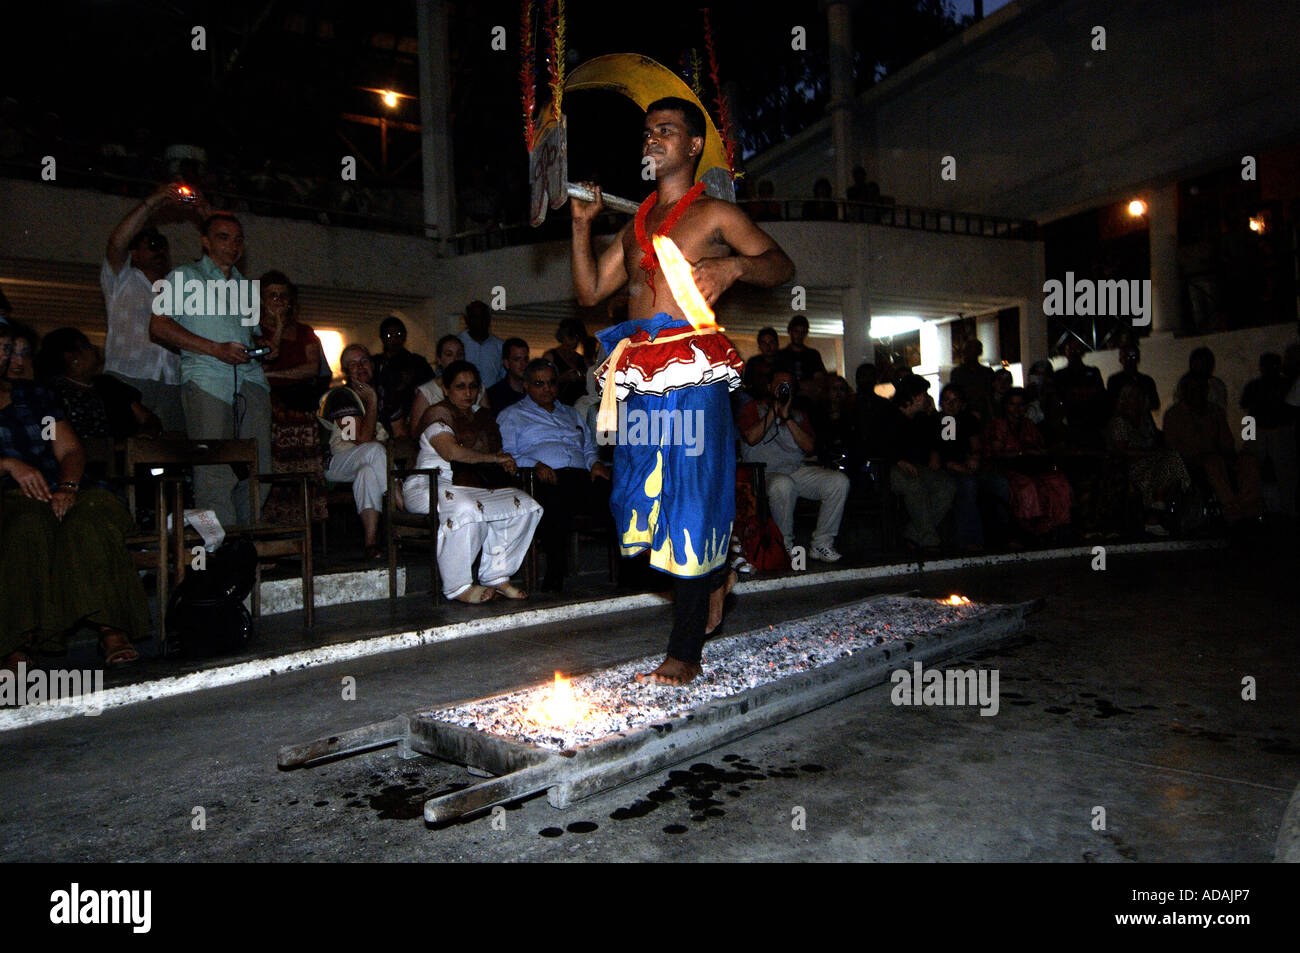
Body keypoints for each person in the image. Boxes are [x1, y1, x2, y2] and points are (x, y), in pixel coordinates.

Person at [572, 95, 795, 684]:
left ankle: (685, 651)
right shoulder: (633, 227)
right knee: (637, 506)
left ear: (693, 146)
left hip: (694, 370)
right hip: (640, 375)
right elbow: (593, 292)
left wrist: (735, 267)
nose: (652, 139)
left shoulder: (717, 215)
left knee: (692, 500)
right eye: (648, 131)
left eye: (666, 130)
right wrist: (580, 228)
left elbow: (782, 265)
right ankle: (718, 574)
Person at [0, 324, 147, 667]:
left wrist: (67, 486)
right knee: (27, 524)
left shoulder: (35, 399)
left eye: (17, 350)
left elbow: (69, 450)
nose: (12, 358)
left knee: (90, 516)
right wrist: (8, 464)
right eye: (6, 349)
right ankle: (17, 644)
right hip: (9, 495)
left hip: (56, 486)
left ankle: (111, 629)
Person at [149, 209, 271, 527]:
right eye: (223, 237)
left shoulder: (245, 286)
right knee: (214, 471)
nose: (233, 245)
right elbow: (158, 327)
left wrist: (266, 343)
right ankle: (222, 553)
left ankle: (250, 543)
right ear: (205, 241)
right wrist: (216, 349)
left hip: (250, 381)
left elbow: (250, 334)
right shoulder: (184, 276)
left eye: (238, 239)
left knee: (261, 467)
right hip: (207, 380)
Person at [401, 360, 542, 603]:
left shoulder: (482, 416)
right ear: (446, 389)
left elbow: (492, 453)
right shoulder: (437, 414)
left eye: (473, 386)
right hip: (430, 484)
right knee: (466, 509)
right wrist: (494, 459)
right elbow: (451, 453)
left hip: (470, 485)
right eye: (460, 387)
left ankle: (497, 575)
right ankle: (459, 586)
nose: (468, 393)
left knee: (525, 505)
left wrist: (502, 461)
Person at [497, 359, 611, 592]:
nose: (547, 388)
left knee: (618, 498)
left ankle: (632, 575)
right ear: (526, 386)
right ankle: (554, 578)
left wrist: (595, 463)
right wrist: (535, 464)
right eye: (539, 383)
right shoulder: (512, 415)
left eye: (551, 383)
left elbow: (587, 447)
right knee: (555, 503)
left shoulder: (570, 413)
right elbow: (508, 454)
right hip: (541, 478)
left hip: (579, 475)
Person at [101, 183, 187, 432]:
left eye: (162, 245)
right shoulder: (121, 279)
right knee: (130, 451)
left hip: (171, 381)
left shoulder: (178, 287)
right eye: (151, 244)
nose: (159, 250)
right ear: (134, 254)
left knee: (171, 452)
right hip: (128, 378)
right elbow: (116, 242)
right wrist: (156, 200)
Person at [739, 370, 849, 560]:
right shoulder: (752, 408)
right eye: (779, 385)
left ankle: (822, 544)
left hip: (796, 470)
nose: (783, 389)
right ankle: (785, 546)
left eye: (788, 385)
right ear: (769, 387)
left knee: (838, 481)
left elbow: (809, 448)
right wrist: (774, 411)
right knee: (783, 484)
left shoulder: (799, 415)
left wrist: (787, 417)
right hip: (764, 473)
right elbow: (751, 437)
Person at [257, 271, 328, 524]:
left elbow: (311, 368)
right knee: (273, 474)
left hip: (301, 413)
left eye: (282, 296)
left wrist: (276, 374)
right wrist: (276, 327)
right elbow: (263, 362)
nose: (278, 300)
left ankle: (306, 535)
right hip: (271, 413)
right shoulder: (252, 329)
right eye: (272, 295)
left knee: (305, 477)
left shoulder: (304, 331)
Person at [319, 345, 390, 559]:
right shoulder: (341, 395)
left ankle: (370, 542)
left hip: (369, 462)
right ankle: (398, 503)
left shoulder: (383, 392)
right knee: (373, 450)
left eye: (364, 360)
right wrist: (372, 402)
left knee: (367, 472)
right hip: (338, 463)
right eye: (353, 363)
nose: (360, 367)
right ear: (345, 371)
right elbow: (360, 438)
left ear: (372, 364)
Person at [1165, 374, 1260, 524]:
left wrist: (1230, 455)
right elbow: (1172, 448)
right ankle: (1231, 507)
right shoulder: (1174, 415)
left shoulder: (1215, 412)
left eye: (1201, 389)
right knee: (1212, 463)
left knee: (1248, 460)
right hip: (1190, 461)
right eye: (1193, 390)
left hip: (1217, 457)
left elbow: (1227, 442)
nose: (1197, 393)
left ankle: (1248, 505)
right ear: (1185, 392)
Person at [36, 328, 160, 440]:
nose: (95, 349)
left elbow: (147, 418)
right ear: (73, 359)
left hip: (125, 457)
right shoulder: (51, 393)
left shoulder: (108, 384)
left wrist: (144, 434)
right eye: (87, 346)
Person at [985, 387, 1073, 537]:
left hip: (1031, 467)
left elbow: (1040, 447)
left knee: (1058, 481)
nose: (1017, 408)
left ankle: (1059, 525)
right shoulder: (998, 425)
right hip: (1007, 468)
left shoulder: (1029, 424)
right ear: (1006, 406)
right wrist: (1022, 453)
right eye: (1013, 404)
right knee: (1027, 487)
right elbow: (996, 454)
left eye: (1021, 404)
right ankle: (1029, 529)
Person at [1105, 382, 1191, 535]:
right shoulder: (1120, 422)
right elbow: (1122, 451)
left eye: (1139, 396)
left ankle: (1156, 511)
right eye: (1132, 397)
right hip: (1129, 466)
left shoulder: (1146, 422)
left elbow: (1157, 441)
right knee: (1168, 462)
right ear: (1124, 400)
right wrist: (1150, 454)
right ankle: (1156, 512)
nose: (1137, 400)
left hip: (1151, 463)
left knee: (1169, 460)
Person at [884, 375, 956, 551]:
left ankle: (913, 534)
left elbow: (942, 442)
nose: (926, 397)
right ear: (915, 396)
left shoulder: (924, 419)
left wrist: (935, 451)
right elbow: (880, 445)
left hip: (922, 467)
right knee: (914, 485)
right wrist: (899, 460)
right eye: (924, 393)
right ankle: (929, 539)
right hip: (892, 468)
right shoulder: (889, 415)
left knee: (947, 485)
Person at [938, 383, 1009, 550]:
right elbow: (939, 453)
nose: (951, 404)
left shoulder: (968, 419)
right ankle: (969, 539)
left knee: (1000, 483)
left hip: (968, 466)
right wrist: (955, 466)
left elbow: (976, 446)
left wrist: (975, 457)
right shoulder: (937, 421)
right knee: (968, 484)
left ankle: (1003, 535)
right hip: (947, 469)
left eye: (955, 400)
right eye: (947, 400)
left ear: (962, 403)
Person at [1240, 353, 1297, 518]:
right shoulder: (1255, 386)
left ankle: (1288, 510)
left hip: (1281, 433)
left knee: (1285, 472)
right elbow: (1247, 410)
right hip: (1258, 431)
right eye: (1267, 365)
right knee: (1253, 469)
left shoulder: (1286, 385)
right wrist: (1248, 435)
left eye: (1273, 365)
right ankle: (1255, 509)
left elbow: (1290, 412)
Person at [371, 316, 434, 436]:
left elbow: (429, 390)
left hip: (410, 420)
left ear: (405, 336)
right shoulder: (375, 363)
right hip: (380, 422)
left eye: (398, 335)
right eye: (389, 336)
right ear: (382, 338)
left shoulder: (417, 362)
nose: (394, 340)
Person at [408, 334, 478, 432]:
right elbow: (416, 432)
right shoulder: (427, 392)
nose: (455, 359)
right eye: (449, 354)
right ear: (439, 359)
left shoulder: (477, 386)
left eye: (460, 354)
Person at [1106, 342, 1160, 419]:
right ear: (1121, 360)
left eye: (1133, 356)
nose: (1131, 360)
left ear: (1138, 359)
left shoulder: (1147, 380)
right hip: (1123, 423)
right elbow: (1111, 405)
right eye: (1127, 357)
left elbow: (1155, 404)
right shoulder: (1114, 380)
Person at [458, 300, 504, 388]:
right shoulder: (457, 343)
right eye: (475, 317)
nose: (479, 321)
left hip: (492, 398)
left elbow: (504, 376)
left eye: (483, 317)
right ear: (466, 319)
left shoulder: (500, 346)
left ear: (489, 319)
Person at [543, 318, 589, 406]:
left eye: (577, 338)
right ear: (562, 336)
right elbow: (543, 382)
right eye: (571, 337)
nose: (574, 341)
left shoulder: (583, 360)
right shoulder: (551, 357)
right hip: (557, 407)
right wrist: (562, 378)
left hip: (578, 408)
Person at [948, 338, 995, 422]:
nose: (971, 354)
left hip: (984, 414)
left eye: (973, 350)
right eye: (969, 350)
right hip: (963, 415)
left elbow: (990, 395)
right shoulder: (957, 373)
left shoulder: (987, 372)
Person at [774, 314, 826, 388]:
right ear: (790, 332)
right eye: (796, 332)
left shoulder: (813, 355)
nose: (799, 336)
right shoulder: (780, 355)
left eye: (802, 332)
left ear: (806, 333)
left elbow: (819, 379)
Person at [486, 338, 529, 415]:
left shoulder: (533, 391)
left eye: (526, 359)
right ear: (506, 363)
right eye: (517, 359)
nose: (523, 364)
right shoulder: (494, 395)